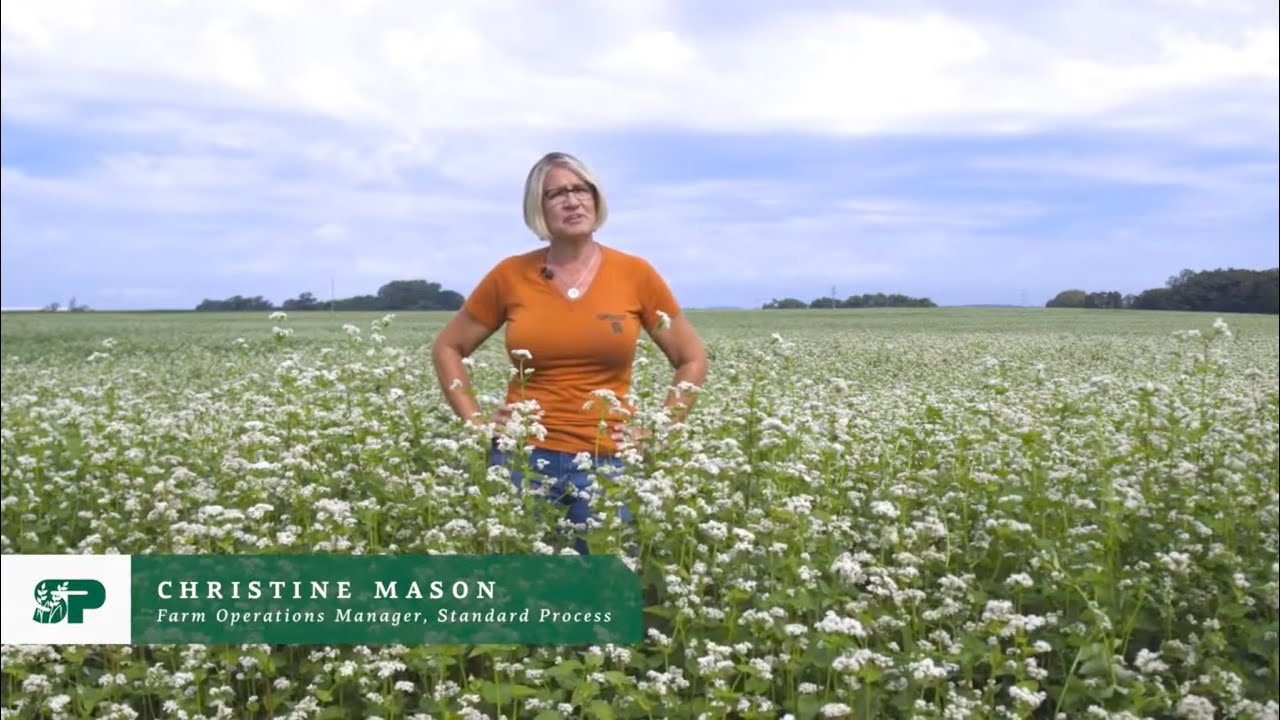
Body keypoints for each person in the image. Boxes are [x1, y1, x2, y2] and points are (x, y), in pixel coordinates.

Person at [431, 151, 708, 553]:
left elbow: (692, 357)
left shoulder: (636, 274)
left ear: (596, 198)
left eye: (581, 189)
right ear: (538, 209)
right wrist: (477, 422)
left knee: (600, 592)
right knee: (524, 592)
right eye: (556, 193)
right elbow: (448, 347)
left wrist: (658, 430)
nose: (572, 201)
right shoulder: (510, 275)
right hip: (523, 461)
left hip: (608, 461)